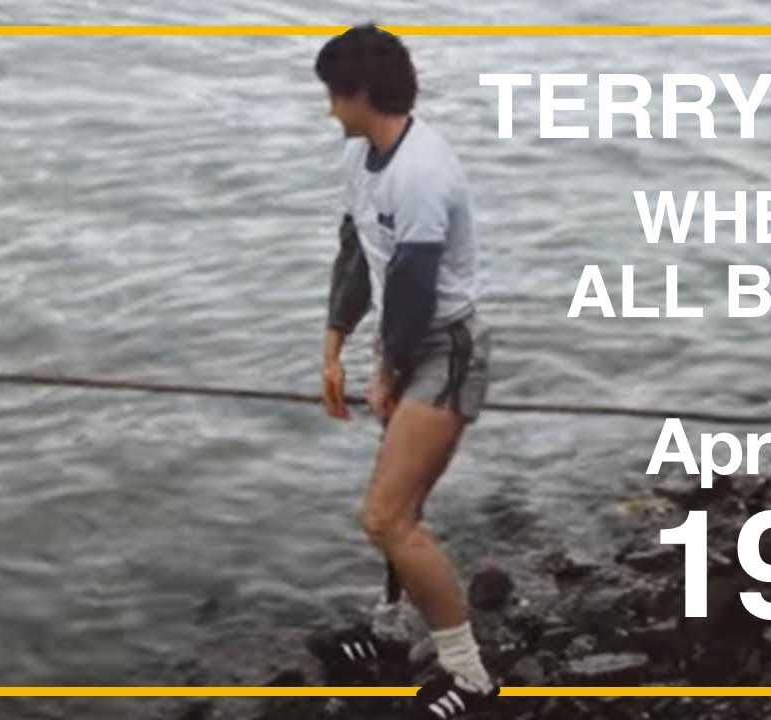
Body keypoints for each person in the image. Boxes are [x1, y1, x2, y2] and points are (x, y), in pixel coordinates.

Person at [312, 23, 499, 719]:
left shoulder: (424, 170)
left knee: (386, 515)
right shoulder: (360, 157)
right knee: (402, 506)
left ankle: (471, 676)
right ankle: (394, 628)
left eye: (334, 95)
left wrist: (388, 370)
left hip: (446, 352)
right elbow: (358, 254)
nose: (330, 108)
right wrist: (333, 346)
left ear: (361, 93)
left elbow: (417, 287)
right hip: (401, 341)